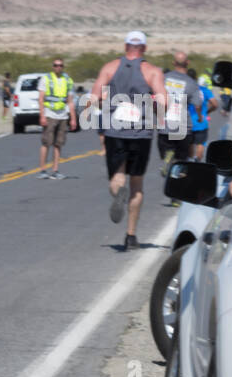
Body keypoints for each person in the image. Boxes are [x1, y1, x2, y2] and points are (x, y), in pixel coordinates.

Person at [91, 30, 167, 250]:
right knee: (137, 183)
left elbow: (94, 98)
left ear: (126, 47)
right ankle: (131, 236)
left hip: (115, 131)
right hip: (141, 132)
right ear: (143, 48)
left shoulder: (109, 68)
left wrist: (106, 109)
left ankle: (118, 193)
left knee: (117, 177)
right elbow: (164, 103)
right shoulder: (152, 71)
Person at [158, 51, 202, 175]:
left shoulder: (164, 78)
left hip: (165, 124)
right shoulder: (191, 83)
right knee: (182, 157)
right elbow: (197, 104)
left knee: (166, 149)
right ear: (187, 63)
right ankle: (177, 174)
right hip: (182, 125)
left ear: (173, 63)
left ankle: (168, 156)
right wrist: (199, 116)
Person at [36, 58, 76, 179]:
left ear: (63, 67)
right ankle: (43, 170)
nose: (58, 67)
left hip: (62, 115)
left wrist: (73, 118)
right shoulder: (46, 79)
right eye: (56, 65)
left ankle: (55, 170)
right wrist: (42, 116)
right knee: (46, 142)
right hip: (50, 115)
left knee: (58, 143)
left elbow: (70, 101)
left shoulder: (67, 80)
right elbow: (41, 99)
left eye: (60, 65)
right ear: (53, 67)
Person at [188, 67, 217, 159]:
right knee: (201, 144)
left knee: (190, 144)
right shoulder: (204, 90)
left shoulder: (185, 89)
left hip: (188, 122)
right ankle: (198, 162)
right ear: (196, 77)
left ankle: (190, 163)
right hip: (201, 122)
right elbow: (215, 104)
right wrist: (208, 111)